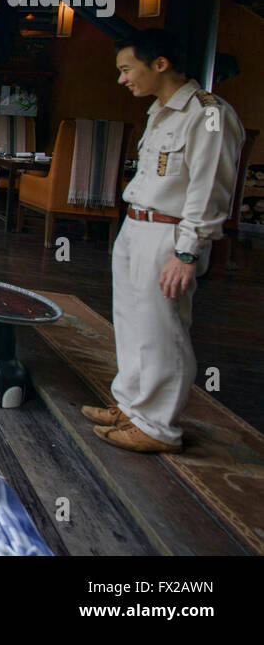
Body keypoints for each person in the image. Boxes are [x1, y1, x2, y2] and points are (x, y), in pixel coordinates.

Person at [83, 29, 243, 453]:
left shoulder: (209, 114)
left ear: (159, 63)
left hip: (169, 235)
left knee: (162, 328)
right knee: (132, 323)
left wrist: (187, 252)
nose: (121, 79)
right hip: (137, 225)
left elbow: (209, 189)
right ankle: (132, 406)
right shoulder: (160, 112)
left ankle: (158, 426)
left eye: (126, 69)